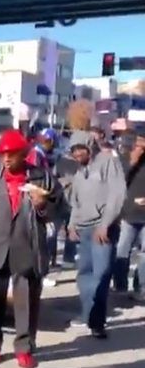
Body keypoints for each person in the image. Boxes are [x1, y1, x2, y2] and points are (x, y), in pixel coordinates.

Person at [0, 130, 63, 368]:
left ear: (24, 154)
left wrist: (43, 207)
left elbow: (60, 209)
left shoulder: (42, 178)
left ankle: (24, 347)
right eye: (3, 154)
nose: (7, 159)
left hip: (26, 246)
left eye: (12, 154)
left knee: (26, 301)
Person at [68, 130, 126, 339]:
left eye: (79, 150)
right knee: (84, 275)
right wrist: (72, 224)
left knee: (101, 275)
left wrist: (105, 224)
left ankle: (97, 323)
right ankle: (87, 315)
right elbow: (76, 201)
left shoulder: (107, 162)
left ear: (89, 146)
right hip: (82, 229)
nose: (76, 155)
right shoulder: (79, 171)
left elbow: (117, 194)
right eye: (73, 151)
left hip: (102, 230)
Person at [113, 134, 145, 299]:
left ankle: (141, 288)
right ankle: (120, 286)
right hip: (129, 214)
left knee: (144, 254)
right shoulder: (125, 160)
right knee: (122, 251)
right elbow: (119, 182)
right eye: (139, 145)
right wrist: (133, 160)